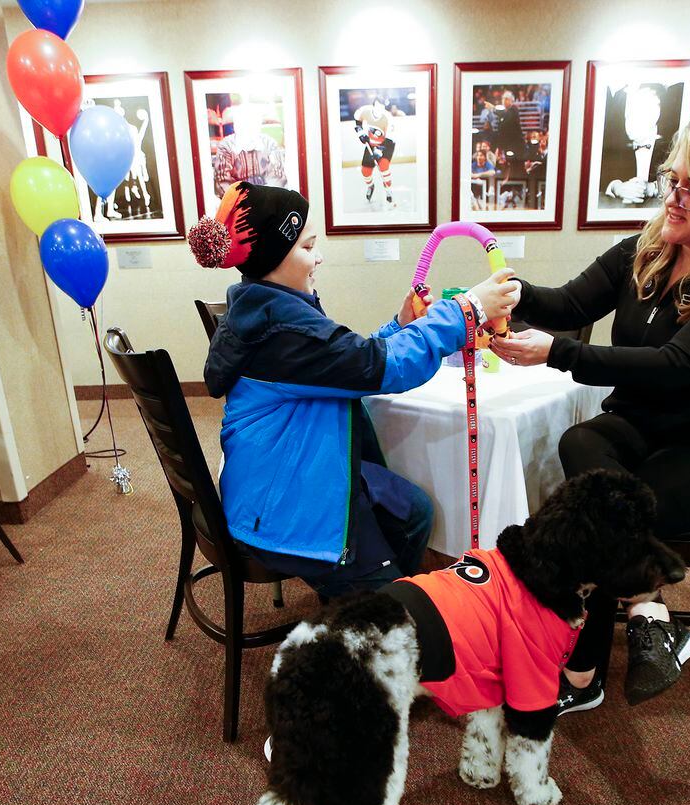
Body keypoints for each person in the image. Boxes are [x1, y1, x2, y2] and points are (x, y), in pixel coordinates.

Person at [490, 109, 690, 710]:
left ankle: (584, 674)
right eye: (673, 180)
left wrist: (560, 354)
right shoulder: (648, 248)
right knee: (581, 445)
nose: (676, 198)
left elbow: (676, 365)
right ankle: (649, 612)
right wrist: (508, 293)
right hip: (646, 425)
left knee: (611, 511)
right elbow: (565, 302)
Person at [189, 181, 520, 598]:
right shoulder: (283, 329)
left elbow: (345, 363)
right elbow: (378, 366)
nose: (319, 256)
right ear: (275, 259)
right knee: (400, 616)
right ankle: (373, 602)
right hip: (285, 500)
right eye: (309, 247)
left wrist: (401, 326)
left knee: (414, 511)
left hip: (298, 466)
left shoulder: (268, 308)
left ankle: (361, 592)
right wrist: (465, 311)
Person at [354, 101, 396, 209]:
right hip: (371, 144)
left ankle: (388, 190)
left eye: (382, 108)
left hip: (386, 146)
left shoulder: (388, 118)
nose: (379, 110)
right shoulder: (365, 110)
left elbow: (389, 140)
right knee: (365, 171)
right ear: (373, 105)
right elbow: (358, 121)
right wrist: (360, 132)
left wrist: (379, 151)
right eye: (377, 107)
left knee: (384, 168)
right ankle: (370, 186)